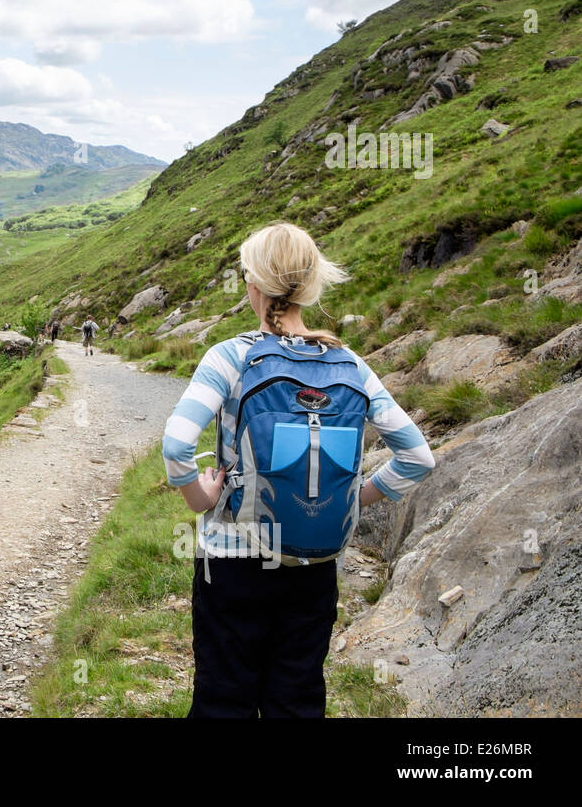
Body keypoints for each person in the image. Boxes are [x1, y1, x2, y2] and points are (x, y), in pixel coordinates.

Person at [161, 222, 434, 717]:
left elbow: (177, 446)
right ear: (310, 284)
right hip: (315, 562)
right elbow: (418, 457)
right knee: (298, 695)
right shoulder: (349, 365)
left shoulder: (231, 357)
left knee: (224, 696)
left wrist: (200, 499)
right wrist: (351, 499)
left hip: (233, 559)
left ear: (253, 284)